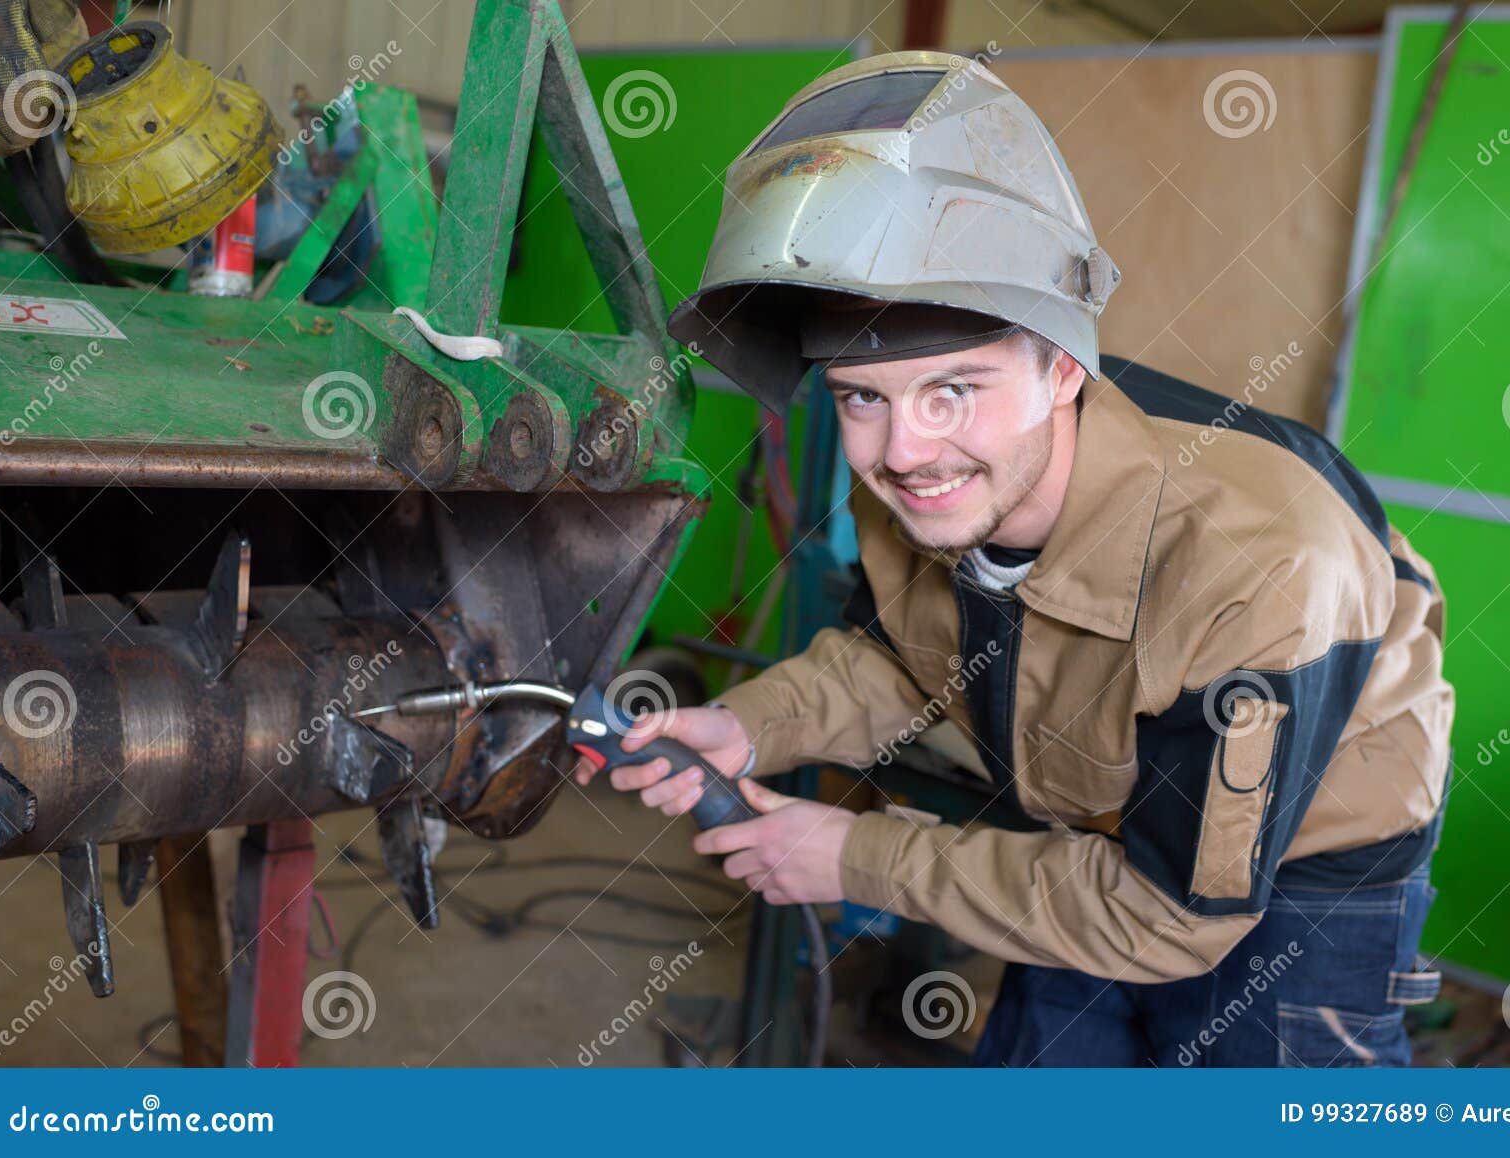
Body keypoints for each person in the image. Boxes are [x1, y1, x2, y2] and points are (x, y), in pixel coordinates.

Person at [573, 51, 1453, 1067]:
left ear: (1063, 369)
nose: (903, 450)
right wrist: (744, 726)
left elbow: (1170, 915)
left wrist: (855, 856)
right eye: (862, 396)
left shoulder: (1258, 563)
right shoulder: (920, 477)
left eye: (956, 388)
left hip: (1299, 878)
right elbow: (905, 659)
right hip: (1091, 831)